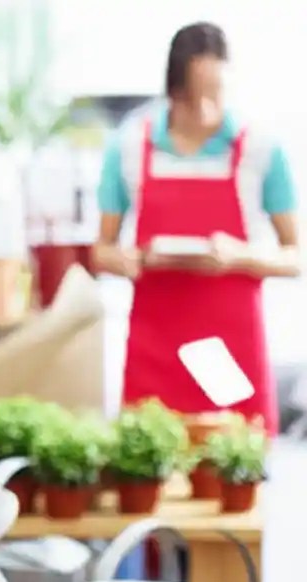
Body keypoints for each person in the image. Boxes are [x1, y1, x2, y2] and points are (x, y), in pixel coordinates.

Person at [93, 21, 299, 434]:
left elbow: (295, 256)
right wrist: (128, 259)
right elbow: (101, 251)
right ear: (172, 90)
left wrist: (238, 255)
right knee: (147, 476)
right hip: (156, 348)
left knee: (235, 480)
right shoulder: (129, 147)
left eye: (215, 94)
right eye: (193, 96)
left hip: (231, 355)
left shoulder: (260, 148)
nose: (205, 109)